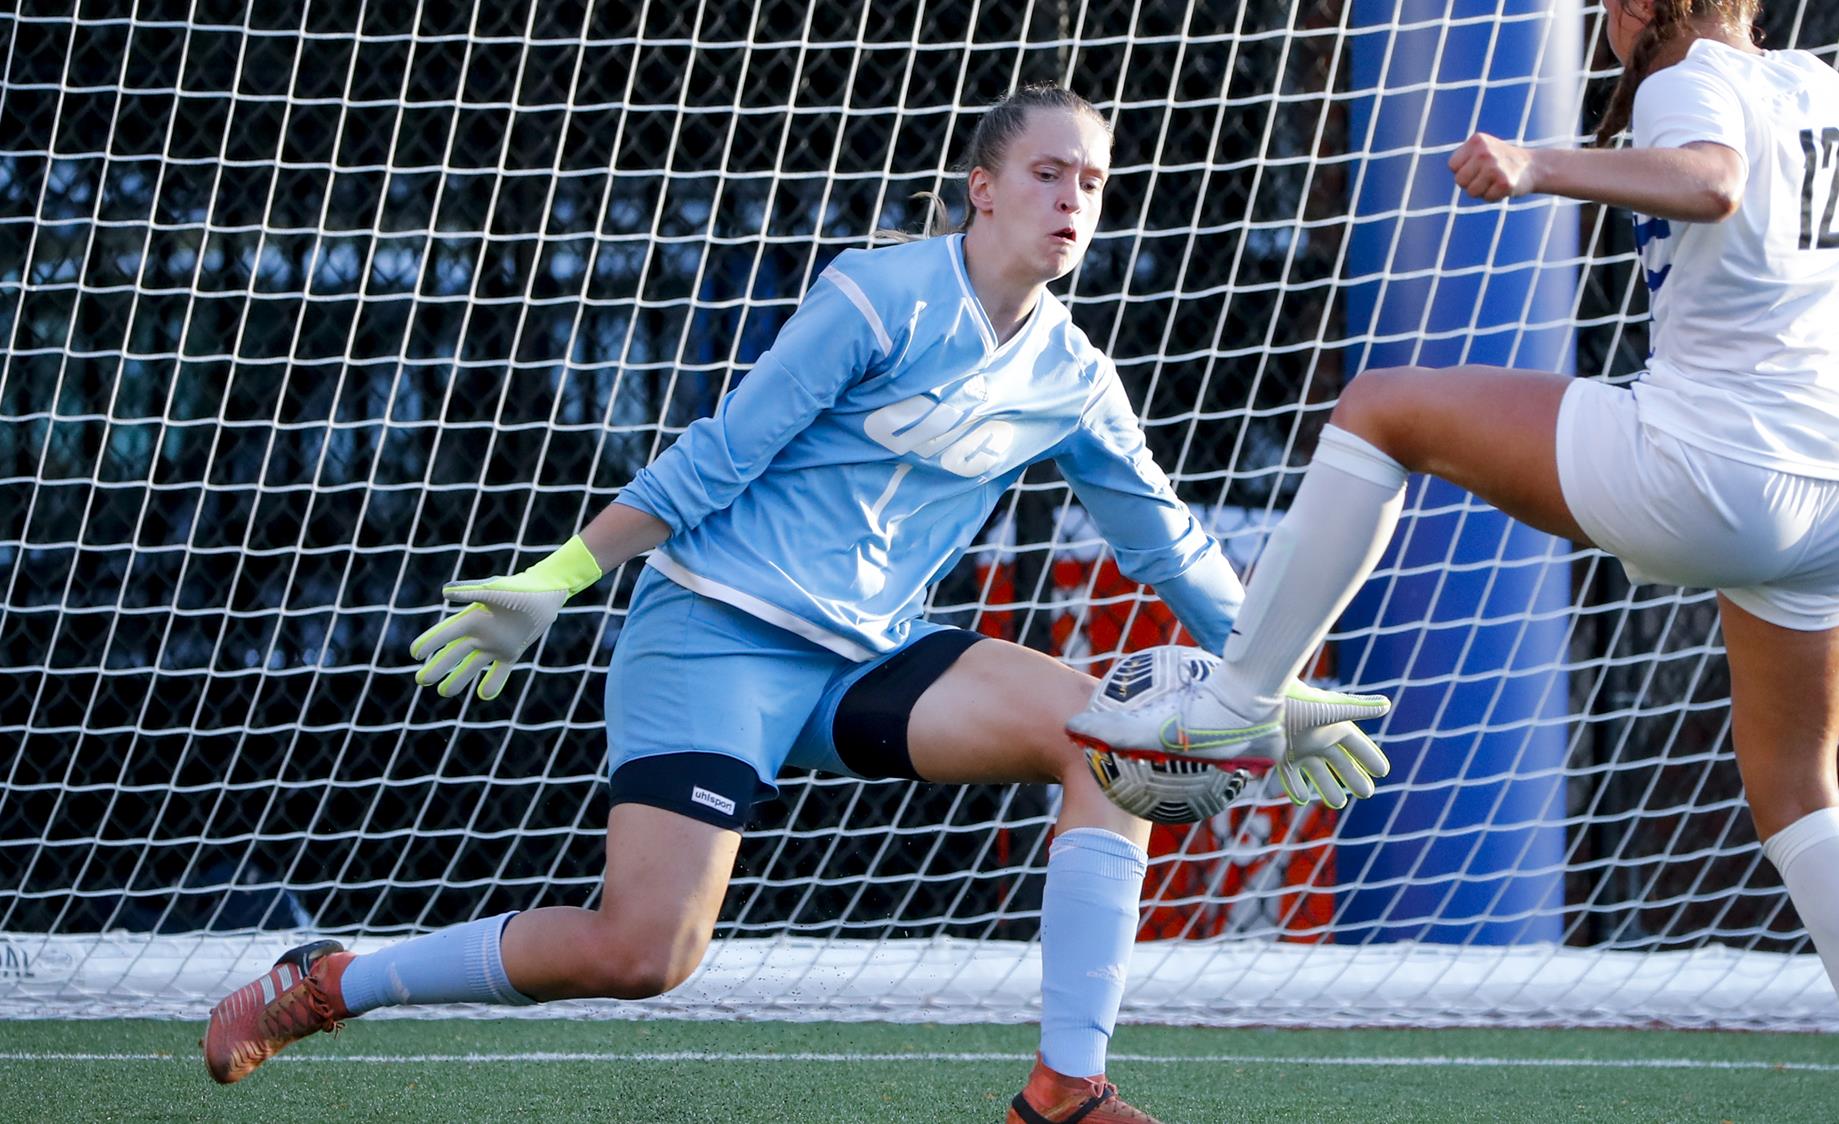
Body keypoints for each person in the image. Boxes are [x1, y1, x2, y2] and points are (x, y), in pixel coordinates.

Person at [198, 84, 1386, 1124]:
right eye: (1045, 171)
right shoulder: (877, 298)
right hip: (716, 632)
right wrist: (556, 581)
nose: (1071, 197)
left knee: (1112, 738)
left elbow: (1167, 542)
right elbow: (719, 453)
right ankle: (332, 978)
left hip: (871, 654)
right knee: (643, 952)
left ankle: (1063, 1087)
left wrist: (1269, 682)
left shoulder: (1074, 377)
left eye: (1091, 180)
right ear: (980, 188)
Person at [1066, 4, 1839, 1122]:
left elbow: (1710, 182)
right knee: (1796, 789)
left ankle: (1238, 704)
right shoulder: (1817, 84)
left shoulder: (1680, 76)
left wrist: (1535, 162)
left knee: (1379, 410)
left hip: (1712, 461)